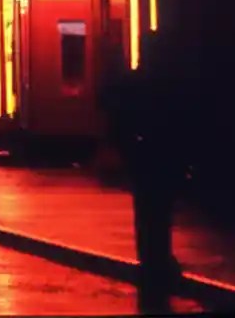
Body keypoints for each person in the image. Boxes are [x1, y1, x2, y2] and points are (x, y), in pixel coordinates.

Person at [100, 29, 189, 313]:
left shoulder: (135, 82)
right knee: (161, 211)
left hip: (143, 157)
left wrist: (125, 149)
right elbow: (181, 120)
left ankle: (151, 260)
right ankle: (160, 259)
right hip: (163, 156)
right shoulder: (168, 83)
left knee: (147, 211)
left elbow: (116, 113)